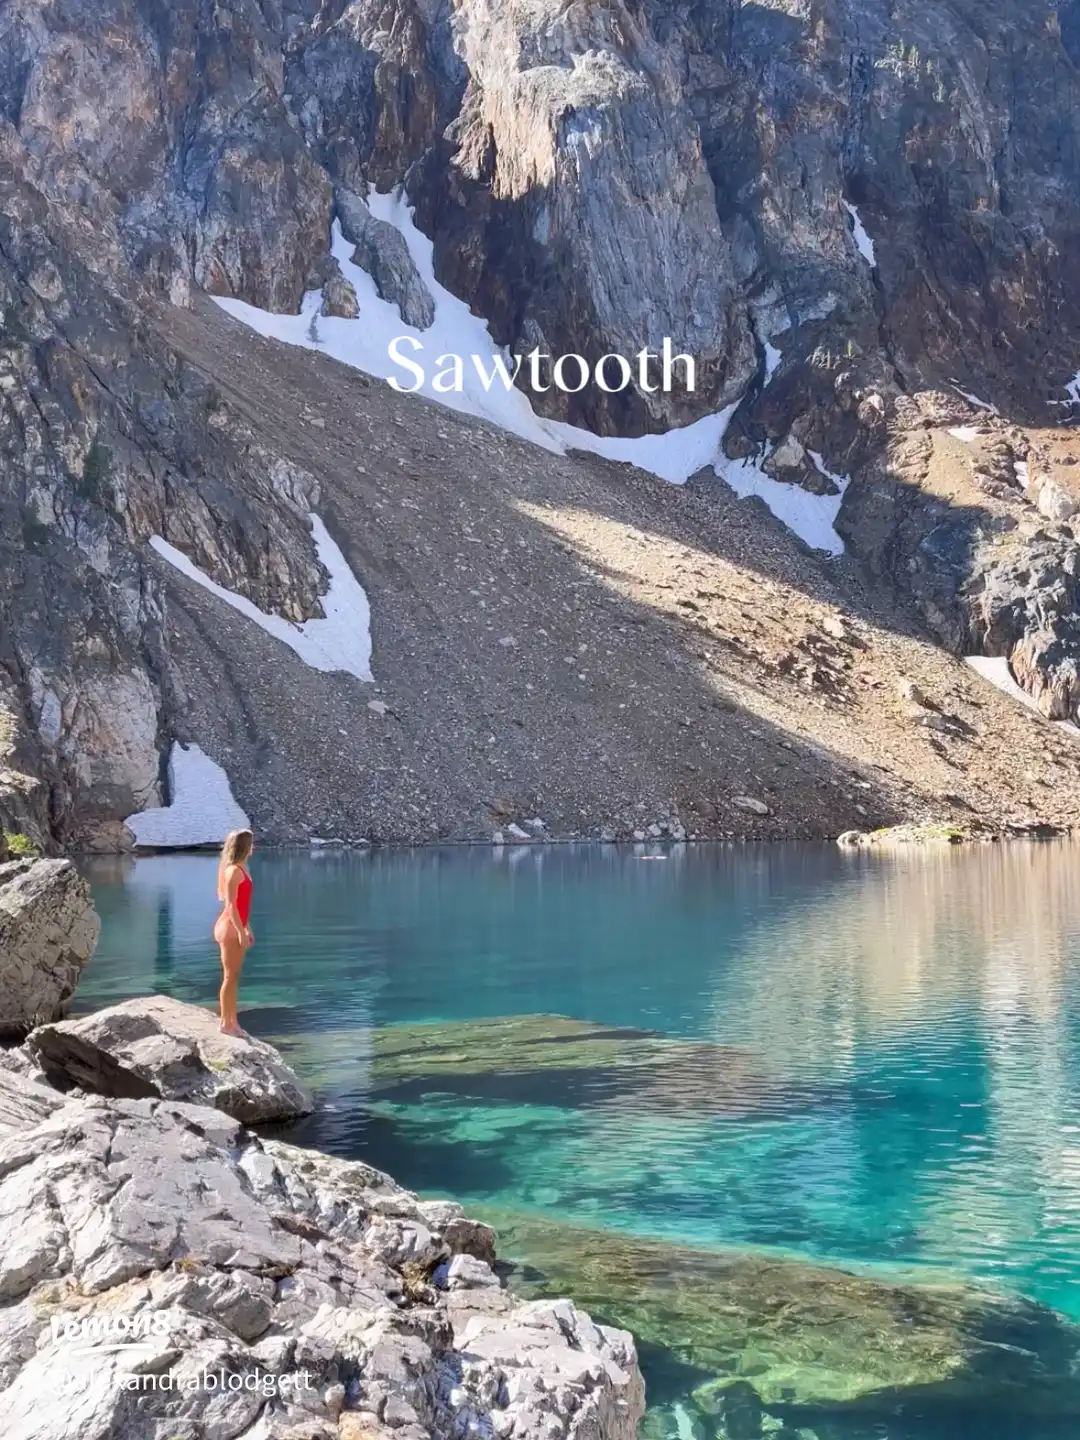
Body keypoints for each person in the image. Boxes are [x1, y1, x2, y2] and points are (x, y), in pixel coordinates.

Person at [214, 828, 254, 1037]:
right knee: (229, 977)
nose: (253, 847)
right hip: (229, 928)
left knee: (233, 976)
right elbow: (231, 906)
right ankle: (225, 1022)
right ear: (243, 847)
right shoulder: (233, 872)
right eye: (250, 844)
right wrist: (240, 931)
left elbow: (243, 904)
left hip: (236, 926)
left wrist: (248, 928)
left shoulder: (240, 869)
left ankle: (232, 1021)